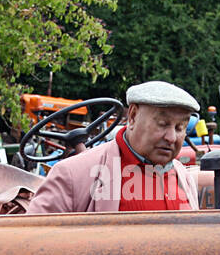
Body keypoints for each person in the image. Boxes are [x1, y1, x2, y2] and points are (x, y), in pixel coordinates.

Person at [24, 81, 200, 213]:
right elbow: (33, 245)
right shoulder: (72, 176)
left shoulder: (184, 178)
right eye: (162, 124)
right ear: (132, 116)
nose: (171, 137)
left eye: (180, 128)